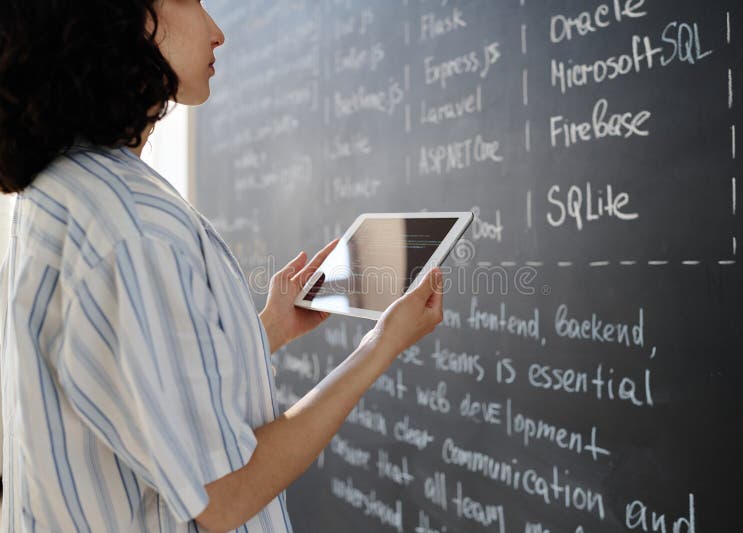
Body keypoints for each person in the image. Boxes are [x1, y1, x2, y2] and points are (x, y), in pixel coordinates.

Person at [0, 1, 445, 531]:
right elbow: (226, 493)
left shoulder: (69, 189)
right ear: (122, 19)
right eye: (190, 1)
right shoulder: (134, 228)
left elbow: (138, 389)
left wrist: (268, 330)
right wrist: (380, 346)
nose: (217, 32)